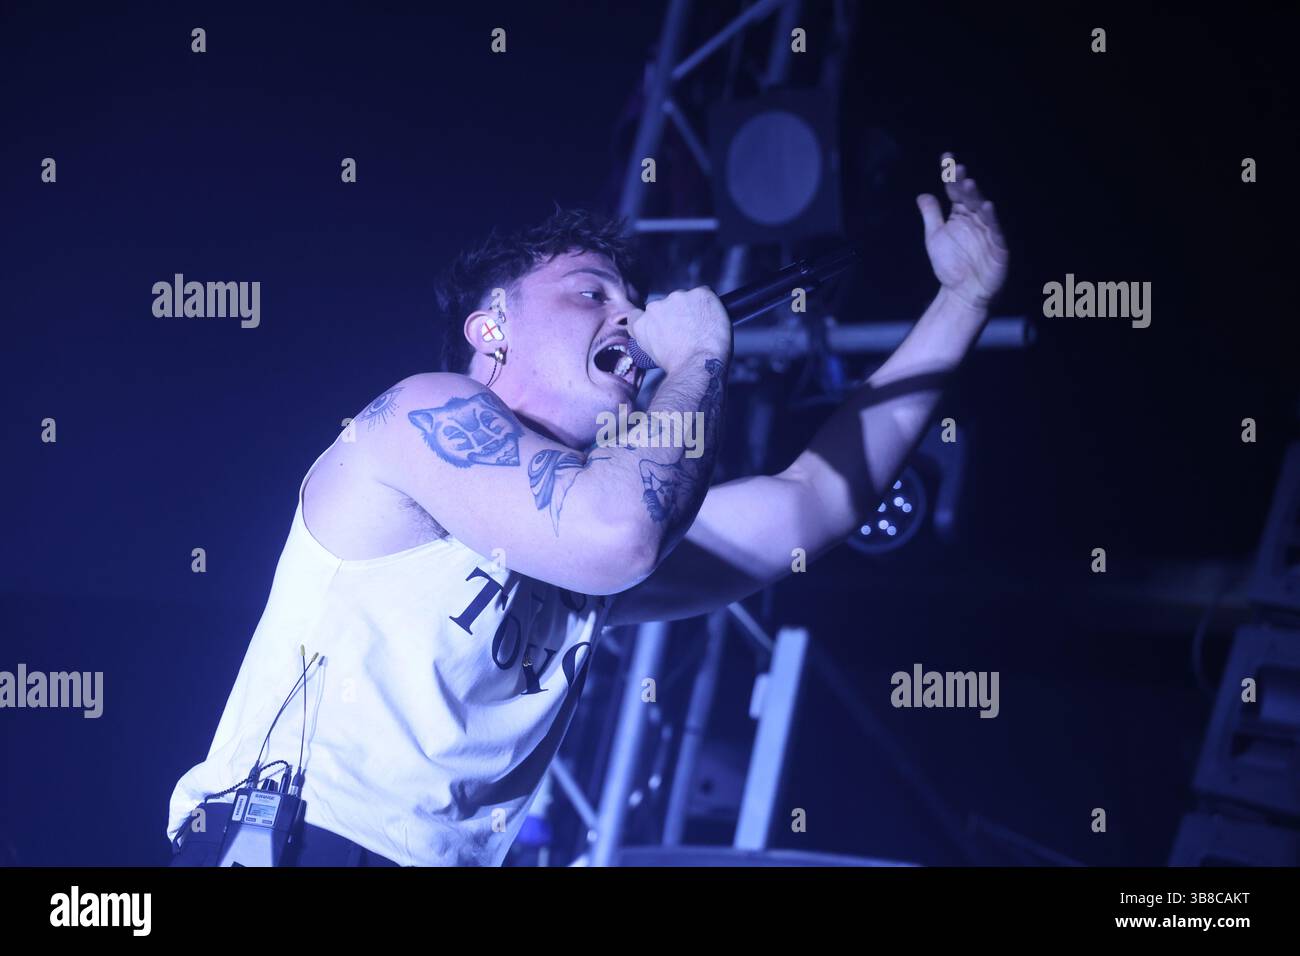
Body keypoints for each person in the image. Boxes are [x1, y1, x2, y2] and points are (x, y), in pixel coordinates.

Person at [166, 153, 1008, 866]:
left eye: (629, 300)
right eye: (590, 293)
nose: (629, 317)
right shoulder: (423, 415)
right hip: (305, 843)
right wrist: (702, 356)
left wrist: (960, 303)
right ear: (490, 327)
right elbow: (619, 533)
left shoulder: (578, 523)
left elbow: (810, 504)